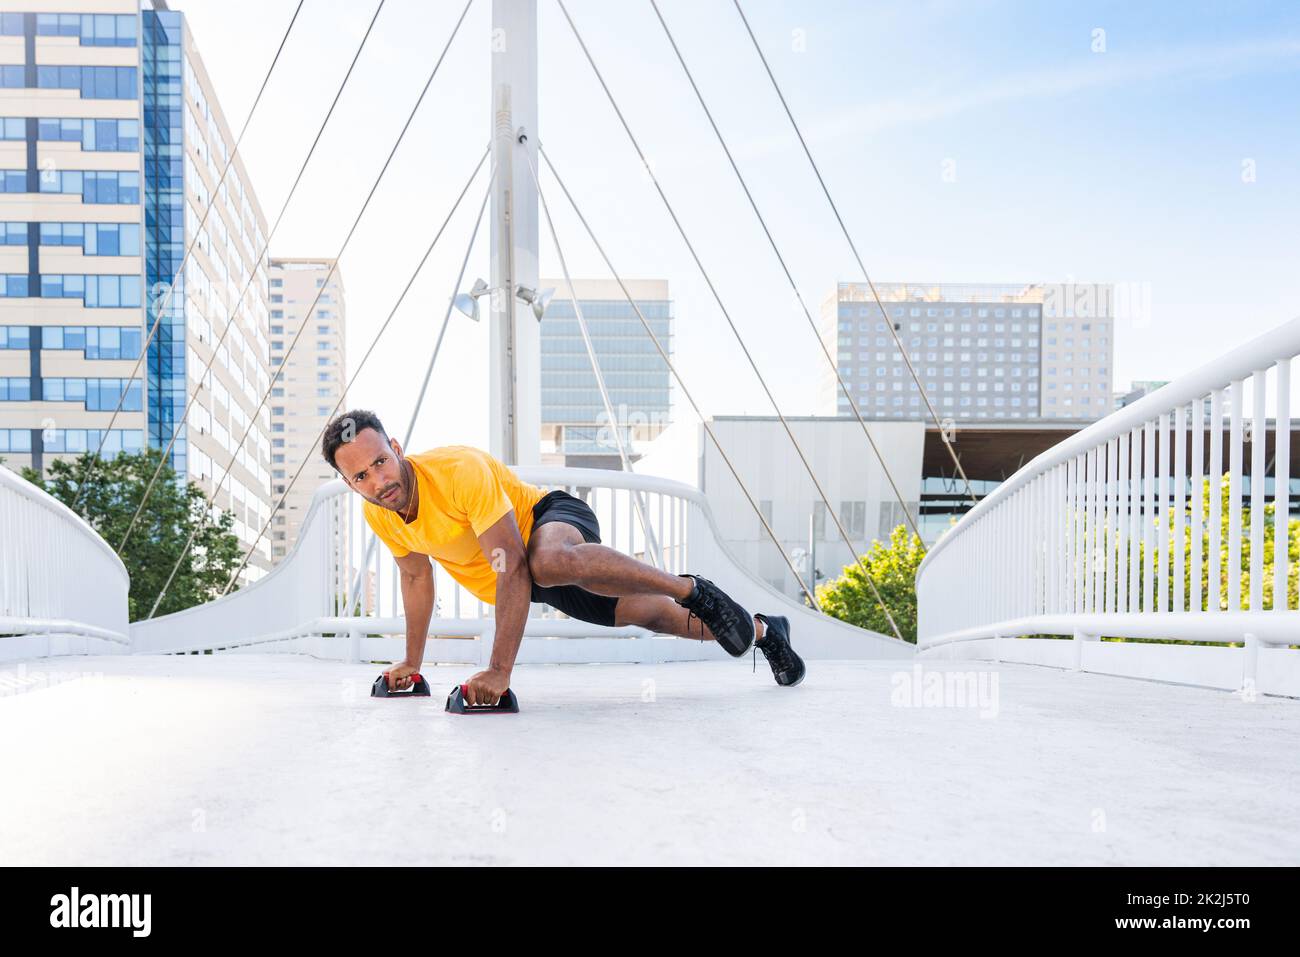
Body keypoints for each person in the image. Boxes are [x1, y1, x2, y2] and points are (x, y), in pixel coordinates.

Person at [321, 410, 805, 704]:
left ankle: (693, 589)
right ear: (348, 483)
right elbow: (415, 580)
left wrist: (499, 671)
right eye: (360, 476)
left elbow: (510, 564)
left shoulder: (456, 471)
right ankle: (767, 631)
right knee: (658, 618)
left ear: (397, 448)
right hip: (536, 579)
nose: (378, 481)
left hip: (550, 525)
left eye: (380, 461)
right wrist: (411, 661)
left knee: (546, 561)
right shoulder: (380, 514)